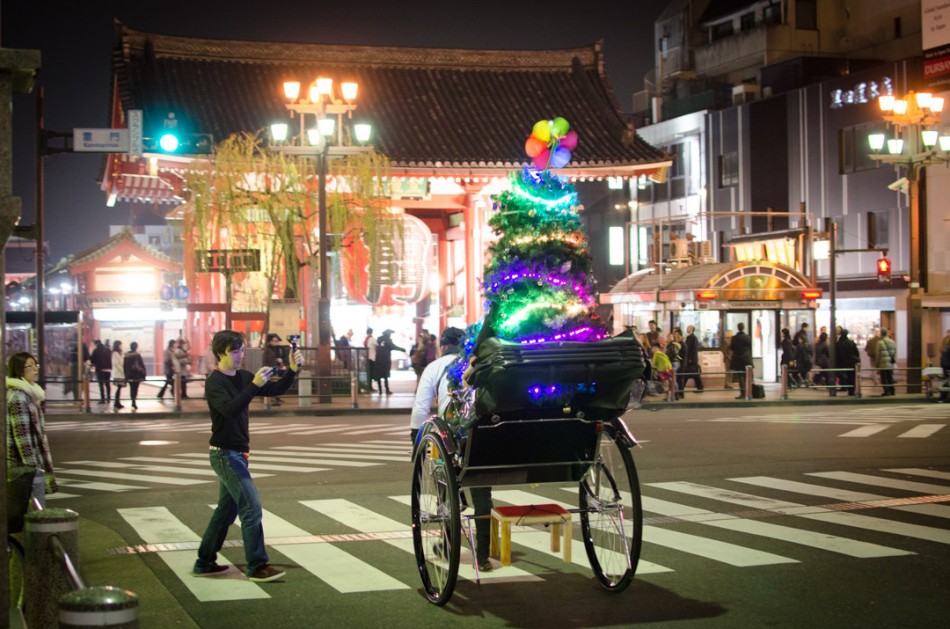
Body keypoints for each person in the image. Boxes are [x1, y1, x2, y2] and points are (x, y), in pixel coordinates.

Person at [193, 329, 303, 583]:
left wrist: (292, 369)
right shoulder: (215, 382)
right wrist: (254, 385)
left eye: (241, 350)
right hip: (224, 455)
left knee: (225, 512)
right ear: (221, 353)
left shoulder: (242, 377)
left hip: (239, 454)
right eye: (234, 351)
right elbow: (230, 409)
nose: (240, 355)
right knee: (251, 507)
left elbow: (277, 389)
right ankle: (257, 565)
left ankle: (204, 561)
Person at [411, 327, 491, 570]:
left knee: (445, 486)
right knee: (482, 492)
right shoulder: (479, 363)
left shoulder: (435, 367)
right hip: (482, 432)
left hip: (453, 436)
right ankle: (483, 556)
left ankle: (447, 543)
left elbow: (421, 408)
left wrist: (415, 438)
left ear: (443, 346)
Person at [6, 352, 58, 506]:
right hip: (22, 465)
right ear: (19, 369)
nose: (35, 369)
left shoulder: (30, 393)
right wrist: (33, 469)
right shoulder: (19, 397)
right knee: (30, 506)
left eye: (36, 365)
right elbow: (22, 437)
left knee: (31, 505)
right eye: (30, 366)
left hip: (30, 463)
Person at [373, 330, 405, 395]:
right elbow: (393, 346)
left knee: (379, 375)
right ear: (388, 334)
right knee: (385, 376)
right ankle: (387, 390)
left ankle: (380, 390)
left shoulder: (378, 339)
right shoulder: (388, 340)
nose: (390, 335)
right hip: (385, 360)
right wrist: (402, 349)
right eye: (390, 334)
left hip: (378, 359)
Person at [729, 323, 753, 398]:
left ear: (738, 328)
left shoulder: (735, 338)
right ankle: (749, 393)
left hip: (739, 359)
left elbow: (732, 348)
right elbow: (750, 347)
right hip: (747, 359)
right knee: (747, 376)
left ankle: (743, 393)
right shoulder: (748, 337)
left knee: (741, 377)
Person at [679, 325, 704, 393]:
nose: (687, 329)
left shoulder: (694, 338)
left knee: (688, 374)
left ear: (692, 329)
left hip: (692, 360)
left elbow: (694, 350)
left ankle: (681, 389)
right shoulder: (688, 338)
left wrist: (691, 359)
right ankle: (699, 387)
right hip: (689, 359)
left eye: (688, 328)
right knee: (694, 374)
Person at [263, 333, 286, 406]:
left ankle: (275, 399)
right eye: (274, 341)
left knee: (274, 384)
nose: (276, 342)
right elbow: (270, 360)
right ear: (270, 341)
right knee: (272, 384)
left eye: (277, 341)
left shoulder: (275, 349)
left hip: (273, 369)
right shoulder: (268, 349)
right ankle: (272, 401)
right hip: (270, 369)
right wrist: (278, 364)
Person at [836, 328, 861, 396]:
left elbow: (837, 354)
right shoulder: (851, 342)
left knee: (842, 376)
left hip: (841, 363)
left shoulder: (838, 344)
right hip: (851, 363)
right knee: (851, 377)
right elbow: (856, 353)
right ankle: (851, 391)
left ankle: (844, 386)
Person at [123, 342, 147, 410]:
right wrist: (144, 374)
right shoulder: (137, 355)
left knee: (131, 388)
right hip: (136, 374)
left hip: (129, 374)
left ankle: (132, 400)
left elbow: (124, 366)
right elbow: (141, 364)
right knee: (135, 388)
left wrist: (126, 375)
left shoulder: (126, 356)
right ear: (136, 347)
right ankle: (134, 401)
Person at [875, 328, 897, 396]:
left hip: (883, 362)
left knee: (884, 378)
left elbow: (877, 354)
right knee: (890, 377)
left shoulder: (879, 342)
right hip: (890, 362)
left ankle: (886, 391)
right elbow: (894, 352)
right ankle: (892, 390)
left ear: (881, 333)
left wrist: (877, 365)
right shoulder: (892, 341)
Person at [90, 339, 112, 404]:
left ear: (95, 344)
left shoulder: (96, 351)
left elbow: (92, 360)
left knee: (101, 385)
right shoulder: (108, 350)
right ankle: (108, 398)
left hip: (100, 369)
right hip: (108, 369)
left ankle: (103, 399)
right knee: (107, 384)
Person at [111, 340, 127, 410]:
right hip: (118, 373)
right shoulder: (115, 353)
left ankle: (117, 402)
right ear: (117, 345)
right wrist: (123, 370)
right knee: (119, 387)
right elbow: (116, 364)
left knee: (119, 388)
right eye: (120, 345)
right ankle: (116, 402)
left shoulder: (121, 353)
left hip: (121, 373)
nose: (121, 346)